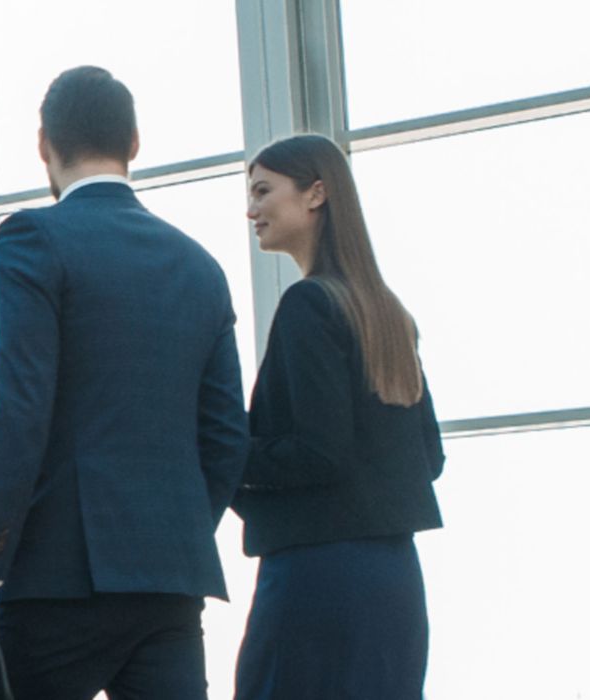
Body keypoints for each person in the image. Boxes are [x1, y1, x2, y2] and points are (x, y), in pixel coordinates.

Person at [0, 65, 250, 699]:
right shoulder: (200, 266)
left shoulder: (35, 237)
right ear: (134, 142)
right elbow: (226, 438)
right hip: (168, 588)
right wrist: (164, 534)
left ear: (44, 145)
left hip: (55, 581)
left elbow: (21, 410)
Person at [232, 133, 444, 699]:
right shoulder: (386, 312)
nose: (251, 209)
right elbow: (431, 456)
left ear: (316, 194)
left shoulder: (310, 305)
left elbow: (320, 452)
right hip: (394, 581)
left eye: (262, 190)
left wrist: (224, 453)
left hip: (317, 579)